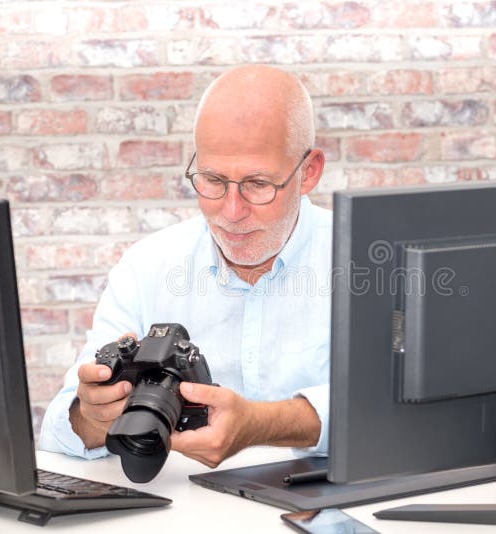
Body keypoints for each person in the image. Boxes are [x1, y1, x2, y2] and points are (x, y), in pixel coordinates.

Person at [38, 65, 332, 468]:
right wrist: (92, 414)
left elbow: (401, 410)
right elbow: (58, 432)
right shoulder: (148, 266)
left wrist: (264, 424)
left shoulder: (365, 260)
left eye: (258, 184)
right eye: (212, 180)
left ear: (308, 171)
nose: (232, 211)